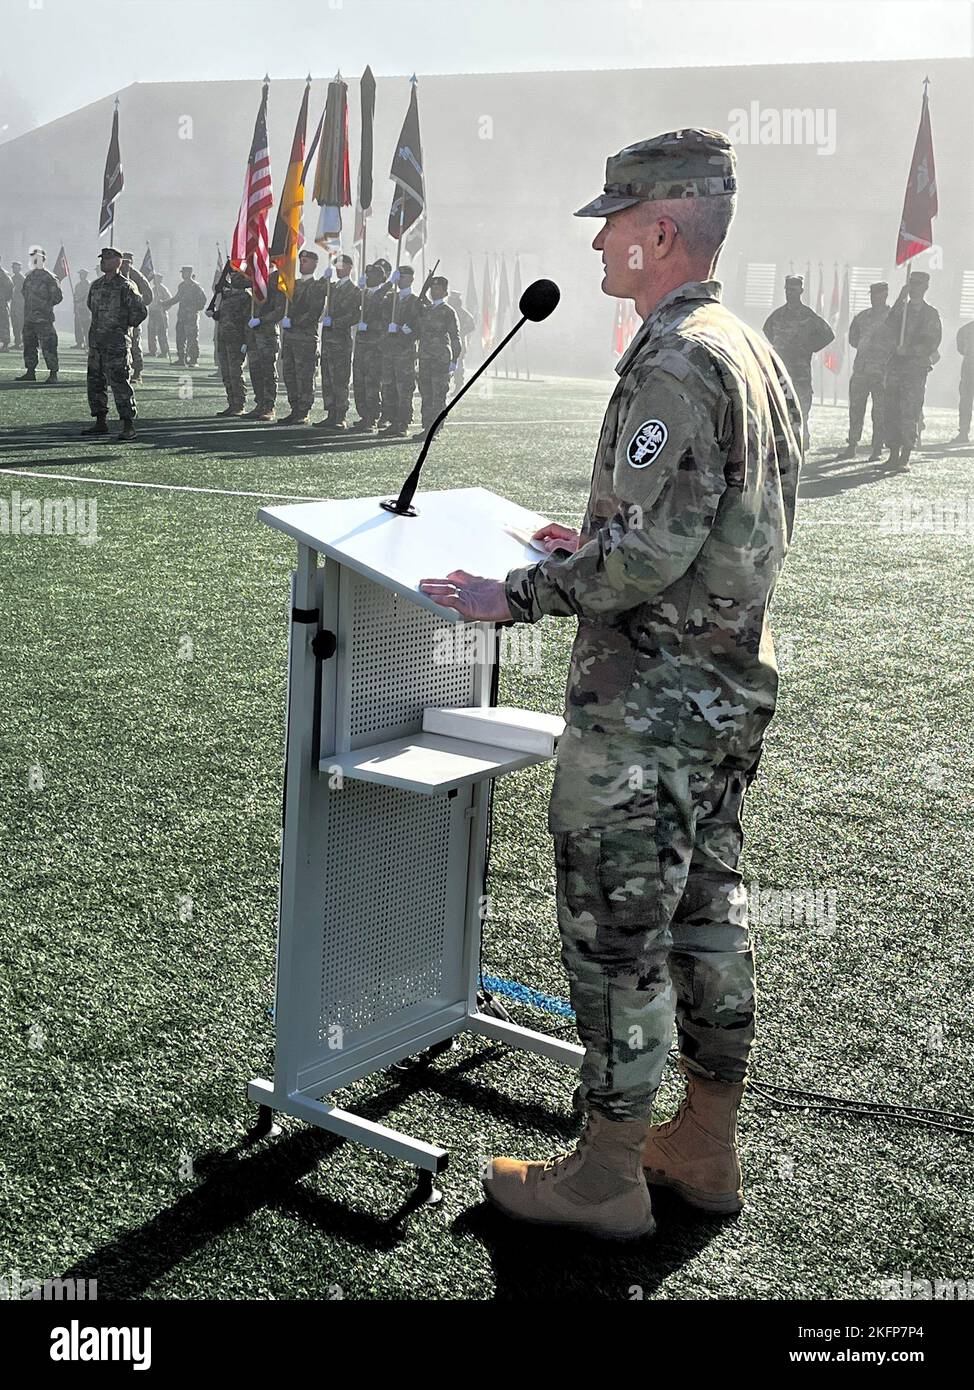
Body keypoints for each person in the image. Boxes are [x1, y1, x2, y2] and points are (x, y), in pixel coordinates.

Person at [419, 129, 803, 1241]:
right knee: (706, 919)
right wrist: (585, 534)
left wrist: (521, 590)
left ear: (659, 232)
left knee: (618, 935)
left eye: (611, 222)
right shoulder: (748, 346)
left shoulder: (673, 356)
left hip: (646, 706)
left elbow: (642, 559)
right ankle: (703, 1144)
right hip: (723, 691)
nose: (597, 241)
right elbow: (710, 520)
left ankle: (605, 1176)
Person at [82, 246, 146, 441]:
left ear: (118, 262)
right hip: (97, 342)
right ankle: (100, 421)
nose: (103, 262)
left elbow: (139, 312)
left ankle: (128, 425)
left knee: (119, 383)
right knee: (95, 383)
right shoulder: (96, 285)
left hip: (116, 343)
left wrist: (121, 326)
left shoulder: (126, 286)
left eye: (108, 259)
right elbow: (90, 306)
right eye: (102, 259)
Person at [763, 274, 833, 448]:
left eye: (794, 290)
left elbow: (828, 334)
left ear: (801, 291)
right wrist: (780, 346)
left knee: (801, 409)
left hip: (800, 371)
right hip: (780, 370)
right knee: (778, 407)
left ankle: (801, 443)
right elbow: (767, 330)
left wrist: (809, 348)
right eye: (788, 290)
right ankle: (781, 445)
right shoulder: (778, 315)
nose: (790, 293)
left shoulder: (807, 315)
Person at [882, 270, 942, 468]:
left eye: (918, 285)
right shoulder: (902, 310)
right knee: (891, 410)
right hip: (895, 369)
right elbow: (888, 327)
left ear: (925, 288)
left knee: (910, 411)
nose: (915, 289)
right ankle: (893, 453)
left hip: (914, 370)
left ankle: (905, 456)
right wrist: (900, 298)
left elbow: (932, 341)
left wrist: (909, 350)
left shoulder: (930, 314)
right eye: (912, 284)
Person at [836, 282, 891, 462]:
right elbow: (853, 339)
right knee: (856, 409)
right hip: (861, 370)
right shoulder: (862, 317)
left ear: (885, 295)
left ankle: (877, 448)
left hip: (882, 372)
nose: (874, 298)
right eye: (872, 294)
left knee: (880, 411)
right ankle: (852, 444)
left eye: (878, 294)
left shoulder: (893, 317)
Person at [279, 247, 327, 426]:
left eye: (306, 261)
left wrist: (294, 322)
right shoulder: (293, 284)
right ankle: (294, 409)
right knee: (289, 375)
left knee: (304, 377)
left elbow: (314, 311)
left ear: (315, 264)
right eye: (301, 260)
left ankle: (303, 412)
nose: (302, 263)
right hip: (290, 339)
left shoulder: (316, 286)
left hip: (305, 339)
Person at [317, 252, 361, 430]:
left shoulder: (355, 290)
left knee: (340, 379)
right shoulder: (331, 287)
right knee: (327, 377)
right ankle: (330, 413)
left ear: (350, 268)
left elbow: (356, 315)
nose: (338, 269)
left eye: (341, 266)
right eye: (336, 266)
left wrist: (335, 322)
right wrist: (323, 279)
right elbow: (316, 291)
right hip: (328, 340)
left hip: (341, 341)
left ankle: (340, 416)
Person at [379, 263, 424, 437]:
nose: (400, 280)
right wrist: (389, 283)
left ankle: (403, 423)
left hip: (405, 352)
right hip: (389, 350)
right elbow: (375, 301)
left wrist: (408, 332)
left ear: (411, 279)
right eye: (399, 276)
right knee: (388, 386)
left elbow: (421, 327)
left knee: (404, 388)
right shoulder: (391, 298)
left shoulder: (416, 301)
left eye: (403, 277)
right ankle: (391, 421)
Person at [415, 274, 461, 438]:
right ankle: (426, 427)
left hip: (440, 359)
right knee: (426, 393)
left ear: (445, 292)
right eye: (432, 288)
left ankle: (434, 428)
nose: (435, 292)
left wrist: (455, 359)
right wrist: (424, 288)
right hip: (425, 357)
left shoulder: (448, 312)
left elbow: (455, 337)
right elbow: (416, 310)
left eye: (438, 289)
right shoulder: (426, 309)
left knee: (438, 394)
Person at [349, 261, 392, 432]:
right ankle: (364, 415)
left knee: (372, 382)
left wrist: (370, 327)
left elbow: (383, 319)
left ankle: (372, 417)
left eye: (373, 275)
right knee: (359, 382)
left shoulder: (386, 296)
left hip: (375, 346)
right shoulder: (363, 294)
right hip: (361, 345)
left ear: (381, 278)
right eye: (367, 275)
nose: (368, 278)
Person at [245, 268, 286, 420]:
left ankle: (269, 407)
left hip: (267, 333)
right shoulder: (256, 277)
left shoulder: (277, 279)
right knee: (255, 370)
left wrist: (261, 320)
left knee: (268, 371)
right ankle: (259, 403)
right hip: (253, 333)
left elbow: (279, 310)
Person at [16, 248, 62, 383]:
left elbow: (58, 297)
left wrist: (44, 305)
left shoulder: (49, 277)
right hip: (29, 317)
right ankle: (30, 371)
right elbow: (24, 293)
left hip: (44, 319)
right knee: (29, 345)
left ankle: (53, 373)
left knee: (49, 346)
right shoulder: (29, 276)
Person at [213, 267, 252, 416]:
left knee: (235, 372)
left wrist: (245, 342)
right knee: (226, 373)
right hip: (223, 337)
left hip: (236, 340)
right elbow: (224, 315)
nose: (233, 278)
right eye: (232, 275)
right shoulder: (226, 296)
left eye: (237, 276)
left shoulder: (245, 298)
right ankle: (231, 403)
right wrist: (215, 314)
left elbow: (246, 321)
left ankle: (239, 404)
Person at [163, 266, 207, 366]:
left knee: (192, 338)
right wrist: (165, 303)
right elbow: (177, 298)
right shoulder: (182, 286)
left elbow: (203, 300)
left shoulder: (196, 286)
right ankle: (181, 359)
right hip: (182, 316)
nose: (182, 275)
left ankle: (193, 360)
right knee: (180, 338)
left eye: (184, 273)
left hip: (191, 317)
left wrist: (195, 309)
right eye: (182, 273)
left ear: (190, 273)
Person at [120, 252, 153, 383]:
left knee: (134, 343)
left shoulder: (137, 277)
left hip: (132, 317)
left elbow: (149, 297)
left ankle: (137, 371)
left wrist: (136, 305)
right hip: (118, 315)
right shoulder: (117, 274)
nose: (126, 265)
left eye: (128, 262)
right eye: (124, 261)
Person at [447, 289, 476, 391]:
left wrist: (462, 332)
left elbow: (471, 326)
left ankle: (458, 386)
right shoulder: (447, 311)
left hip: (459, 342)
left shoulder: (463, 314)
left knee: (458, 366)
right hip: (447, 342)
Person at [954, 318, 974, 445]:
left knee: (966, 400)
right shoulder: (965, 330)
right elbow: (960, 348)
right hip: (969, 368)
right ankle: (963, 431)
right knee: (965, 400)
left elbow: (961, 349)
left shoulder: (965, 330)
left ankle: (963, 432)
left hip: (969, 367)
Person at [147, 272, 172, 358]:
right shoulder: (153, 289)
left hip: (160, 314)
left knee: (162, 333)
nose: (154, 281)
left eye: (156, 279)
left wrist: (164, 308)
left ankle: (164, 352)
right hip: (153, 313)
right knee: (151, 332)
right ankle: (152, 351)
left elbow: (170, 301)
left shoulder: (163, 290)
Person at [73, 269, 92, 349]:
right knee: (78, 327)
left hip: (86, 308)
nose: (81, 276)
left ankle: (87, 343)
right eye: (80, 274)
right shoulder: (77, 285)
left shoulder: (89, 284)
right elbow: (75, 297)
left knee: (86, 327)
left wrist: (78, 300)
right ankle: (79, 342)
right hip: (79, 308)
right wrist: (75, 307)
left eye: (82, 274)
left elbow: (86, 295)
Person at [10, 261, 25, 348]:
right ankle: (17, 342)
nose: (13, 269)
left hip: (21, 305)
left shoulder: (23, 279)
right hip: (14, 304)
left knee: (21, 324)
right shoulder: (12, 278)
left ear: (19, 269)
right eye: (13, 267)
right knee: (15, 324)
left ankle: (22, 343)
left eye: (15, 267)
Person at [0, 260, 13, 350]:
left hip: (1, 303)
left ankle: (5, 344)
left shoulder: (4, 275)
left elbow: (10, 289)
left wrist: (3, 299)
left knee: (3, 323)